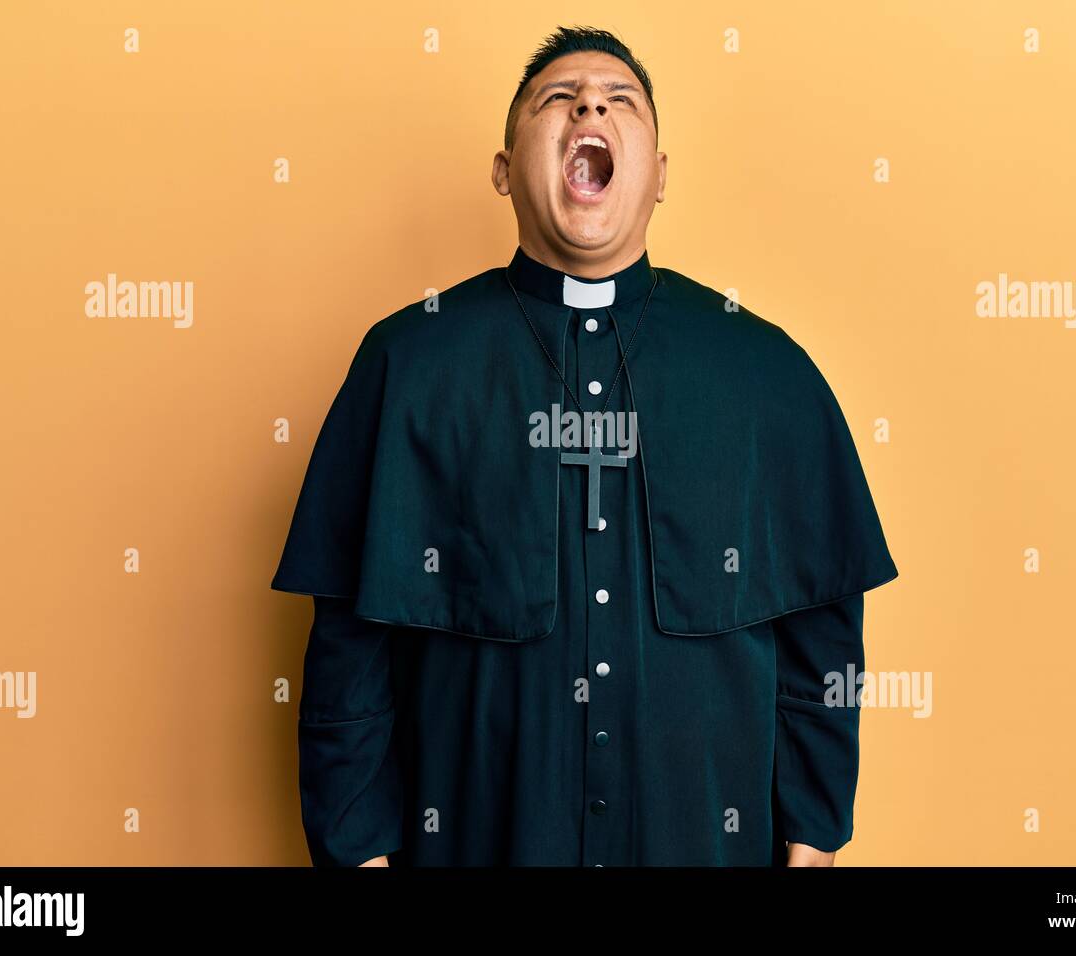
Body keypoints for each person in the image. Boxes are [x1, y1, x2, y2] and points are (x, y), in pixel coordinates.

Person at [270, 25, 898, 867]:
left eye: (619, 100)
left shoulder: (766, 373)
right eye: (556, 99)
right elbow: (348, 656)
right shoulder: (407, 364)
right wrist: (359, 854)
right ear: (503, 169)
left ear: (661, 176)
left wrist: (814, 841)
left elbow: (825, 642)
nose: (590, 104)